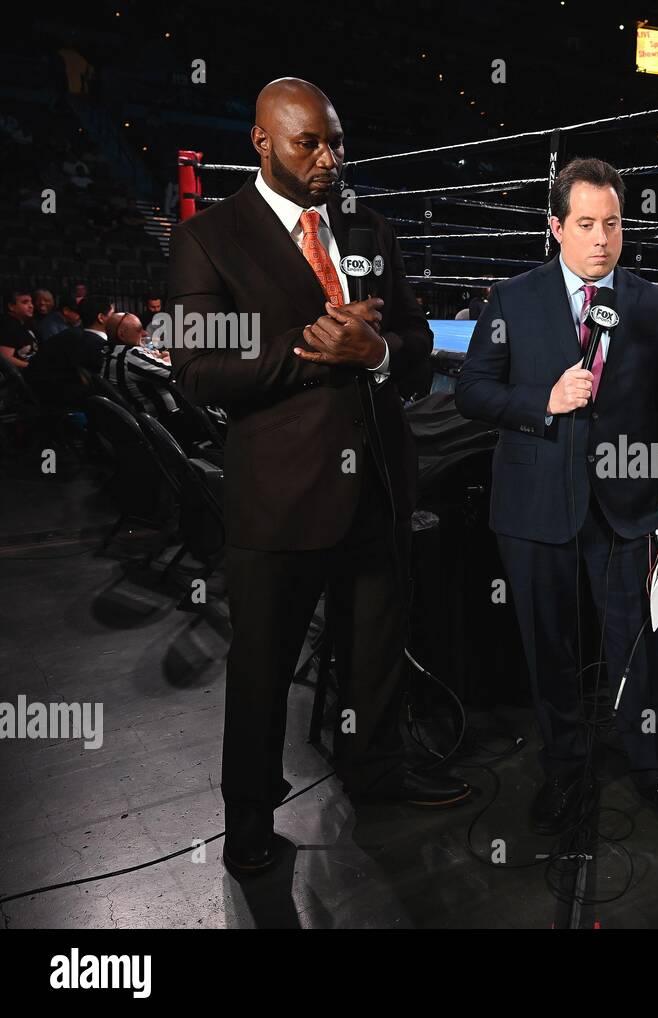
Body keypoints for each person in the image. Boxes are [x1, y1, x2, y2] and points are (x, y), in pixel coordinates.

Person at [168, 77, 471, 880]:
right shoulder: (211, 238)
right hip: (279, 500)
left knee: (376, 649)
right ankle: (250, 818)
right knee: (263, 667)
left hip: (377, 481)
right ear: (264, 143)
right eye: (311, 143)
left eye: (336, 140)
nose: (331, 158)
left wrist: (376, 354)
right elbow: (197, 370)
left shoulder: (369, 229)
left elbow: (417, 343)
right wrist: (312, 346)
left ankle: (376, 774)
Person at [456, 157, 658, 841]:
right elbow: (473, 391)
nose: (601, 238)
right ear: (556, 227)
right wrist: (545, 401)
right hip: (535, 511)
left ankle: (654, 769)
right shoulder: (513, 300)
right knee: (551, 651)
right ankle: (566, 771)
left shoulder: (652, 305)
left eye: (613, 223)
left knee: (639, 653)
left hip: (633, 511)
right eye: (587, 224)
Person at [1, 289, 38, 369]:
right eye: (25, 302)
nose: (31, 306)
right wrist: (33, 367)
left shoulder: (23, 323)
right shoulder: (7, 326)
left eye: (31, 302)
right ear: (11, 306)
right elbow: (5, 358)